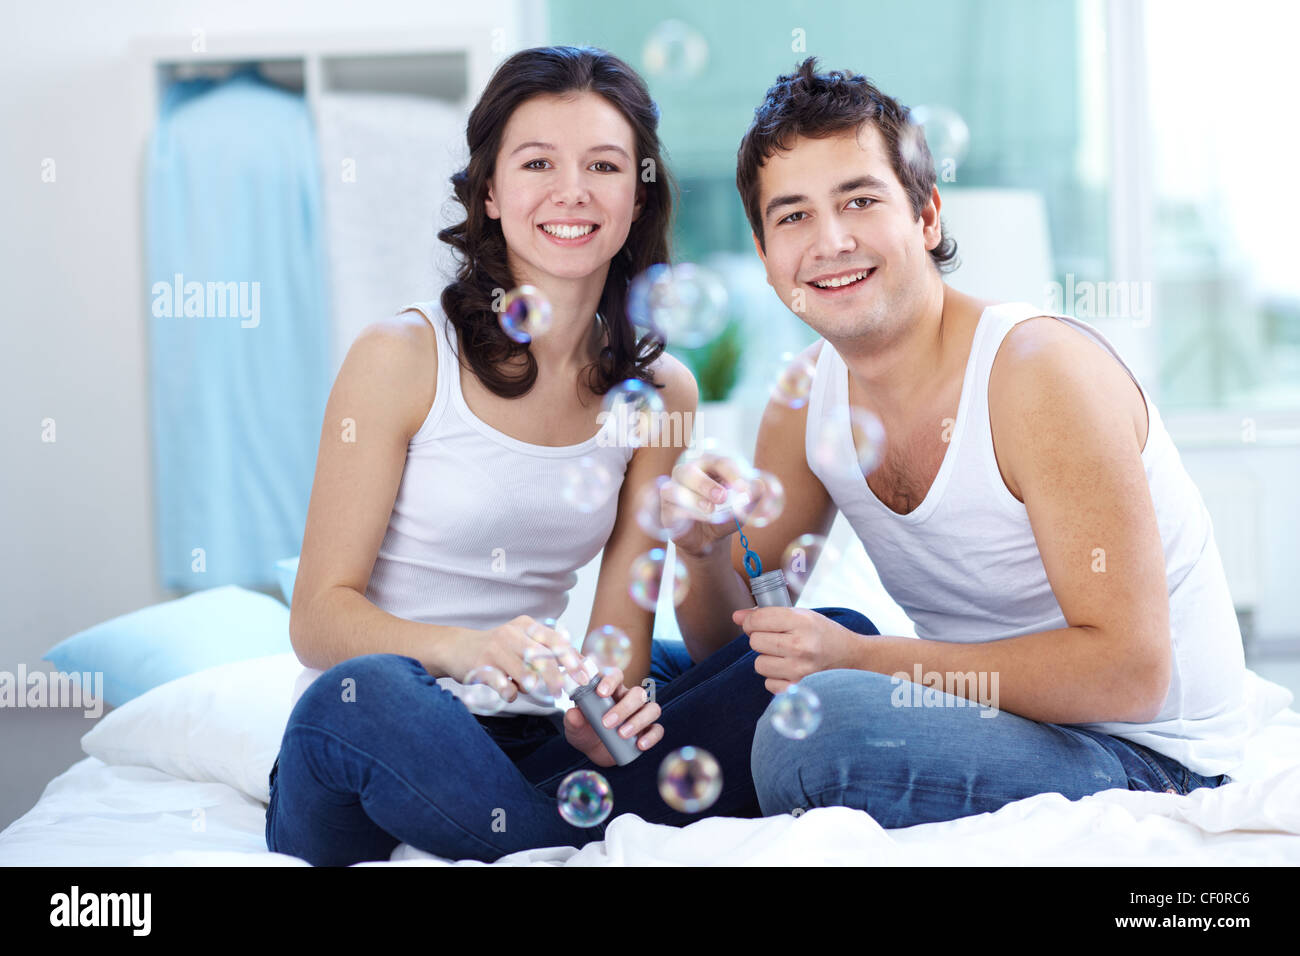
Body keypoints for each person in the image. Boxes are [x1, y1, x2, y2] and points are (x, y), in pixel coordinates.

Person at [666, 58, 1251, 827]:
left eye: (860, 200)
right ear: (769, 257)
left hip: (1146, 755)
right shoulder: (803, 399)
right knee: (655, 672)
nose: (831, 240)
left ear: (927, 216)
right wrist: (704, 548)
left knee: (812, 736)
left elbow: (1131, 673)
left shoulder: (1039, 375)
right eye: (794, 216)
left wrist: (861, 661)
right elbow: (733, 649)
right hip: (992, 724)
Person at [264, 46, 804, 865]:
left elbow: (619, 631)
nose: (572, 190)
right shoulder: (403, 358)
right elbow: (318, 619)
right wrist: (468, 650)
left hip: (540, 741)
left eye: (604, 164)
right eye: (538, 162)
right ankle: (567, 839)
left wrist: (601, 712)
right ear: (490, 190)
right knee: (362, 696)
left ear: (638, 192)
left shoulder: (662, 392)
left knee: (822, 641)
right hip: (385, 734)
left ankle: (540, 826)